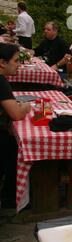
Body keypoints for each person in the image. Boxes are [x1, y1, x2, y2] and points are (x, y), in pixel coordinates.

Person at [0, 43, 31, 208]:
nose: (19, 64)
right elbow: (17, 114)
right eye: (16, 60)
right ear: (2, 63)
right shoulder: (1, 81)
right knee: (17, 148)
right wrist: (26, 107)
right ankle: (11, 197)